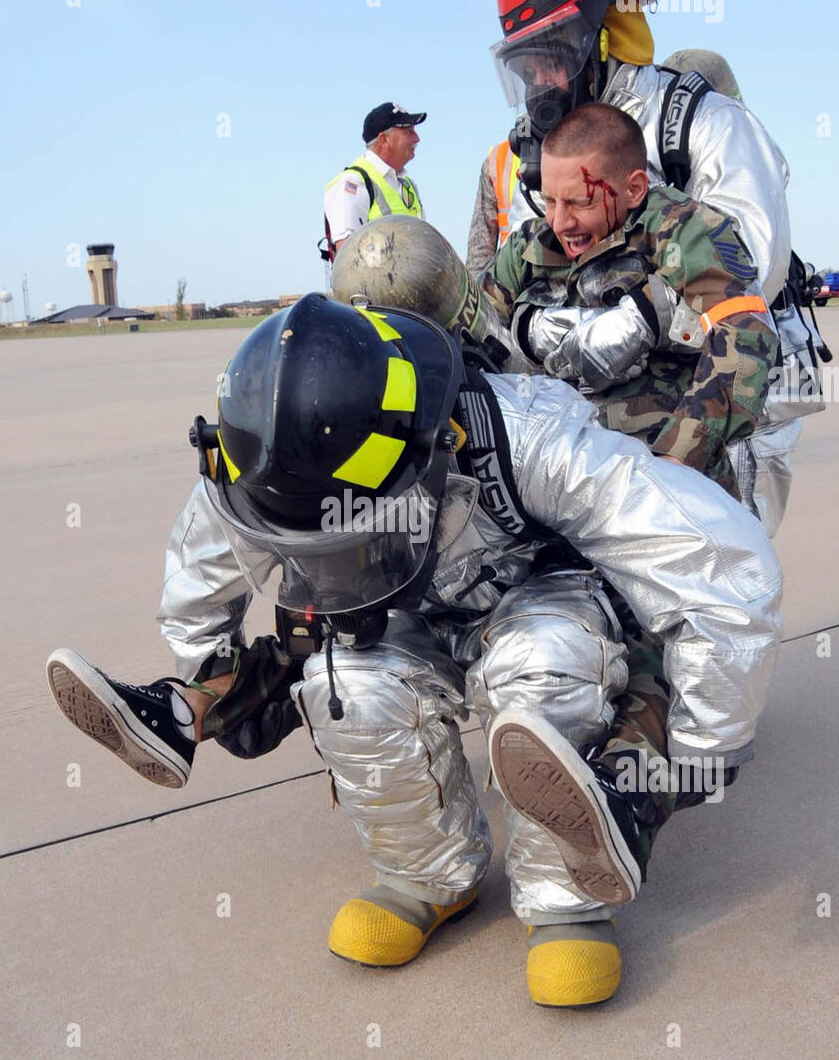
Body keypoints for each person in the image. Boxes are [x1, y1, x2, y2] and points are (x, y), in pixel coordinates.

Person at [46, 294, 782, 1008]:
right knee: (349, 685)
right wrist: (203, 662)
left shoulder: (526, 431)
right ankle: (426, 876)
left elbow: (719, 566)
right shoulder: (258, 461)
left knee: (546, 666)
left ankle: (567, 903)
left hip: (537, 594)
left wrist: (696, 752)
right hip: (401, 613)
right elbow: (208, 552)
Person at [491, 0, 813, 534]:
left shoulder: (703, 122)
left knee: (717, 587)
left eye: (553, 57)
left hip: (723, 408)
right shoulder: (545, 156)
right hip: (606, 415)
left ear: (606, 33)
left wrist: (637, 317)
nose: (541, 82)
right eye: (528, 65)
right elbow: (523, 267)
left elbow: (753, 262)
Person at [482, 103, 779, 500]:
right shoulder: (528, 247)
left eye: (580, 202)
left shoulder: (682, 230)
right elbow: (473, 327)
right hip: (558, 483)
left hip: (668, 485)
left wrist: (678, 458)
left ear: (635, 188)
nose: (560, 222)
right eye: (550, 201)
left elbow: (745, 335)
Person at [321, 103, 426, 262]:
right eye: (408, 132)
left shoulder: (408, 185)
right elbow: (348, 260)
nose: (417, 138)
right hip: (374, 287)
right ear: (384, 140)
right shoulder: (353, 183)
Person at [465, 138, 521, 278]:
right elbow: (481, 245)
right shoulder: (498, 158)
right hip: (515, 284)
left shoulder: (581, 143)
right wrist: (476, 294)